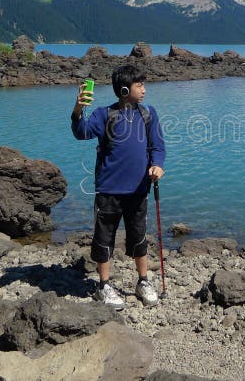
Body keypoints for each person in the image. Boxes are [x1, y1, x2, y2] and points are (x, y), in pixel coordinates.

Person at [71, 65, 165, 309]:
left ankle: (143, 281)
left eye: (143, 85)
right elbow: (81, 133)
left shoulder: (148, 114)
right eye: (139, 85)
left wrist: (157, 165)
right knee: (104, 239)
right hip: (108, 191)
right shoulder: (104, 115)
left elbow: (158, 147)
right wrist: (79, 108)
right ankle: (103, 286)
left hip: (138, 190)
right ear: (125, 89)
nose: (144, 89)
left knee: (139, 237)